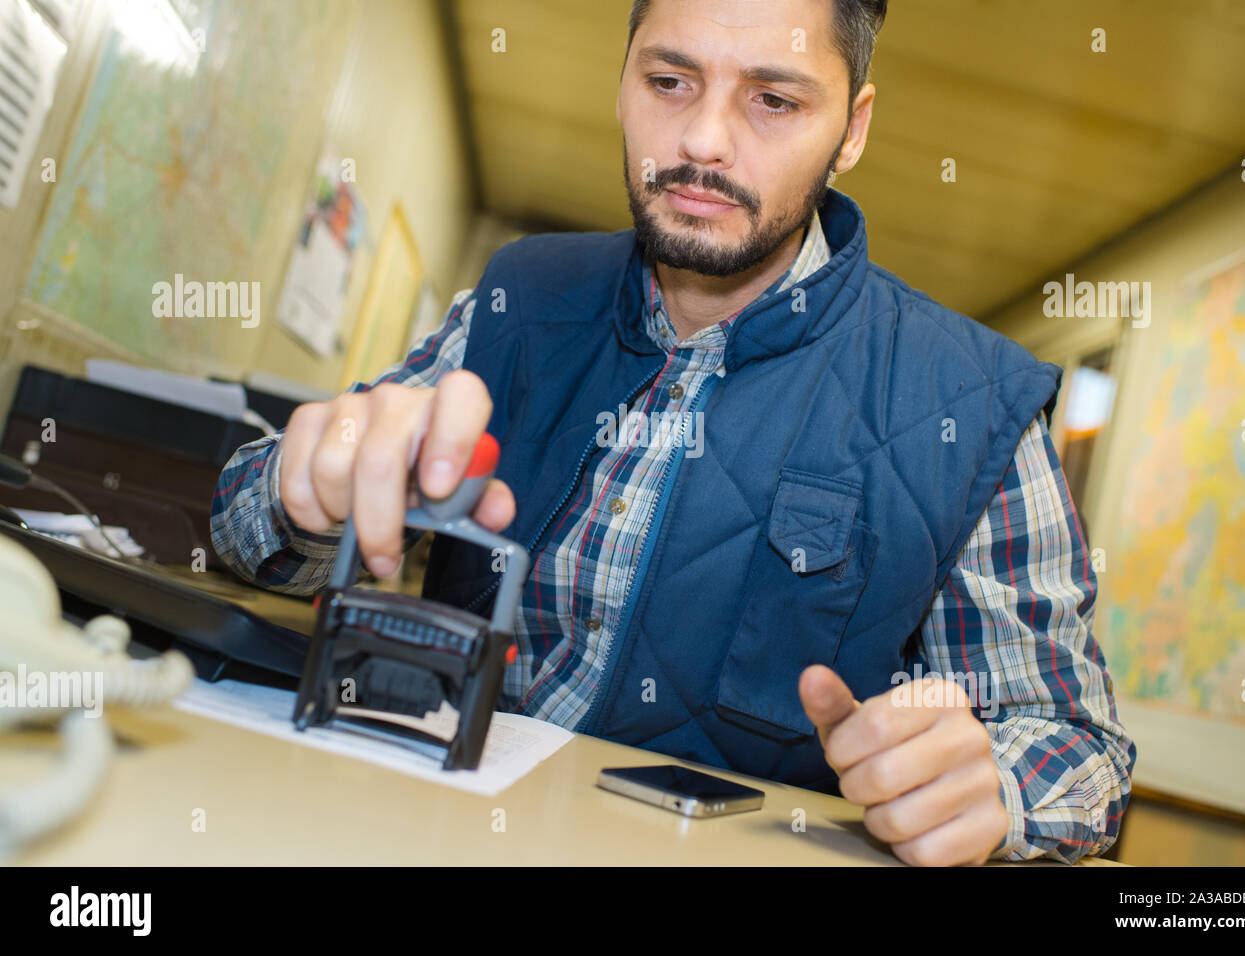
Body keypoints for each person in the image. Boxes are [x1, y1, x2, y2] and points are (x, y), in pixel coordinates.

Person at [212, 0, 1135, 866]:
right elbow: (257, 541)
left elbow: (1081, 748)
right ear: (621, 82)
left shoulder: (973, 406)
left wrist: (999, 787)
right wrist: (305, 494)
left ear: (851, 131)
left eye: (773, 100)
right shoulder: (517, 299)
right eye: (668, 82)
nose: (701, 140)